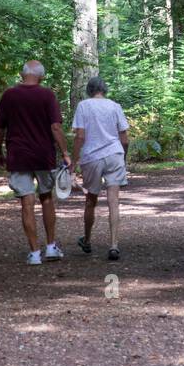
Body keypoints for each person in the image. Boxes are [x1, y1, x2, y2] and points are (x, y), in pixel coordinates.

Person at [0, 60, 71, 265]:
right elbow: (55, 127)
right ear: (41, 76)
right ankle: (51, 247)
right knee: (46, 198)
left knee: (26, 202)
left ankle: (35, 253)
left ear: (22, 74)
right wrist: (65, 153)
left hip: (18, 156)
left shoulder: (9, 95)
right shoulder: (47, 95)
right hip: (43, 155)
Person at [69, 76, 130, 261]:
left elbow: (80, 136)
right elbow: (125, 138)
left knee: (90, 200)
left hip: (91, 157)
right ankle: (114, 245)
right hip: (114, 155)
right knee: (114, 201)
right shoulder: (115, 106)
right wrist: (123, 157)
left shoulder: (83, 106)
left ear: (89, 89)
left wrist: (74, 160)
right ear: (105, 90)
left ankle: (87, 240)